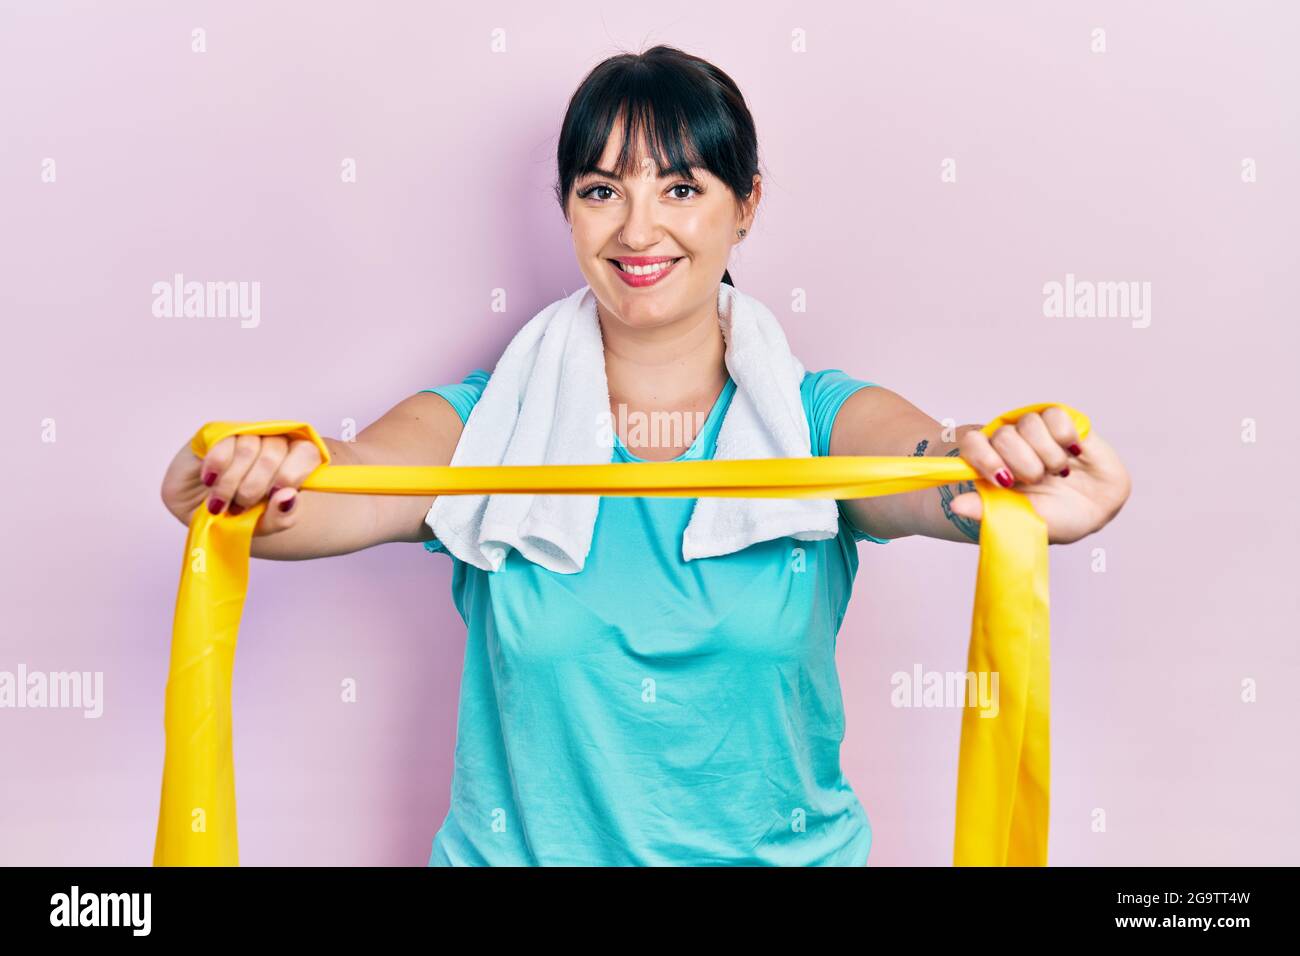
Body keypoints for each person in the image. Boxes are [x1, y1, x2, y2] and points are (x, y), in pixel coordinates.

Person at [159, 46, 1131, 865]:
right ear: (567, 209)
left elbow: (932, 472)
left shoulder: (815, 420)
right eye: (600, 189)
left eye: (680, 186)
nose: (637, 228)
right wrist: (243, 478)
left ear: (743, 204)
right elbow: (347, 479)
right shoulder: (488, 427)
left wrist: (1008, 471)